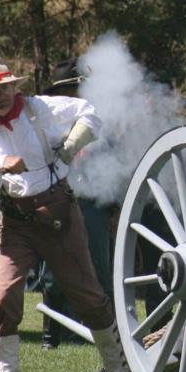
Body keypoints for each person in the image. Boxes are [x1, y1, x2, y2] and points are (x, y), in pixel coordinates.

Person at [0, 57, 133, 372]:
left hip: (59, 214)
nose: (0, 96)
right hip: (16, 222)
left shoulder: (41, 109)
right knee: (3, 295)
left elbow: (90, 113)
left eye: (4, 88)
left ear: (14, 87)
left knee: (89, 297)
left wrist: (72, 145)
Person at [37, 59, 114, 353]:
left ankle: (105, 336)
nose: (76, 95)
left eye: (78, 89)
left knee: (100, 274)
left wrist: (113, 208)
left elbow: (113, 165)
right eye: (71, 89)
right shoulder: (46, 124)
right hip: (57, 199)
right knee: (53, 276)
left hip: (92, 204)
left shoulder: (96, 120)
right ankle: (51, 337)